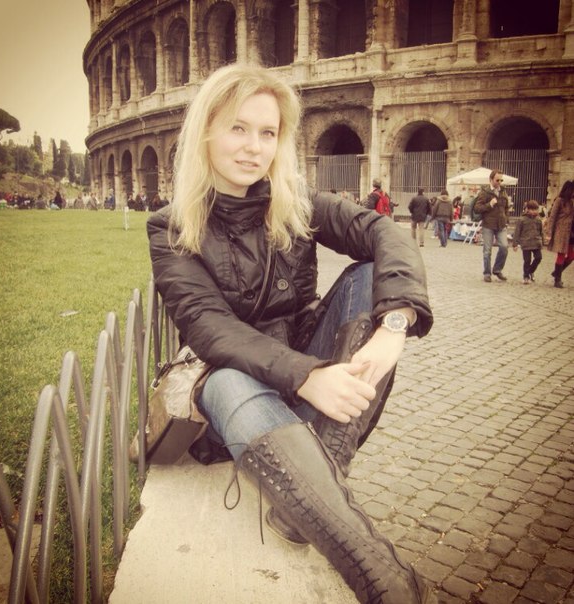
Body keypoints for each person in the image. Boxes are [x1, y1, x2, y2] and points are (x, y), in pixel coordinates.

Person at [147, 63, 435, 604]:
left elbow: (383, 232)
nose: (253, 146)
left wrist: (396, 323)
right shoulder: (171, 225)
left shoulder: (295, 202)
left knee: (370, 276)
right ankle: (382, 576)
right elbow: (212, 328)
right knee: (228, 378)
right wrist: (308, 376)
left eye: (268, 132)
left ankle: (311, 493)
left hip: (305, 363)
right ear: (205, 131)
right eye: (238, 128)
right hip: (234, 387)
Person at [473, 170, 511, 282]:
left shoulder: (503, 191)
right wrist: (489, 204)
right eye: (497, 180)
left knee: (504, 247)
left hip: (501, 225)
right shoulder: (484, 192)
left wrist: (506, 219)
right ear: (491, 179)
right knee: (487, 250)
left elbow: (506, 208)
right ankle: (487, 273)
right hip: (488, 225)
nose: (499, 182)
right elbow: (477, 208)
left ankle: (497, 269)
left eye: (501, 180)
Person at [544, 180, 574, 288]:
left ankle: (556, 272)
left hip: (571, 233)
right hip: (561, 231)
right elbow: (552, 217)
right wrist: (549, 233)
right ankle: (557, 280)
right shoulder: (559, 201)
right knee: (561, 254)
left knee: (571, 256)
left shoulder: (572, 202)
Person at [512, 200, 544, 284]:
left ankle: (530, 271)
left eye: (536, 209)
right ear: (528, 209)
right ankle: (526, 276)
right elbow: (517, 232)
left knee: (538, 258)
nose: (534, 211)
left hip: (536, 243)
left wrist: (542, 242)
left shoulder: (538, 219)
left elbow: (541, 232)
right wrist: (515, 244)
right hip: (526, 243)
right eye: (532, 209)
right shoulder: (522, 219)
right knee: (527, 260)